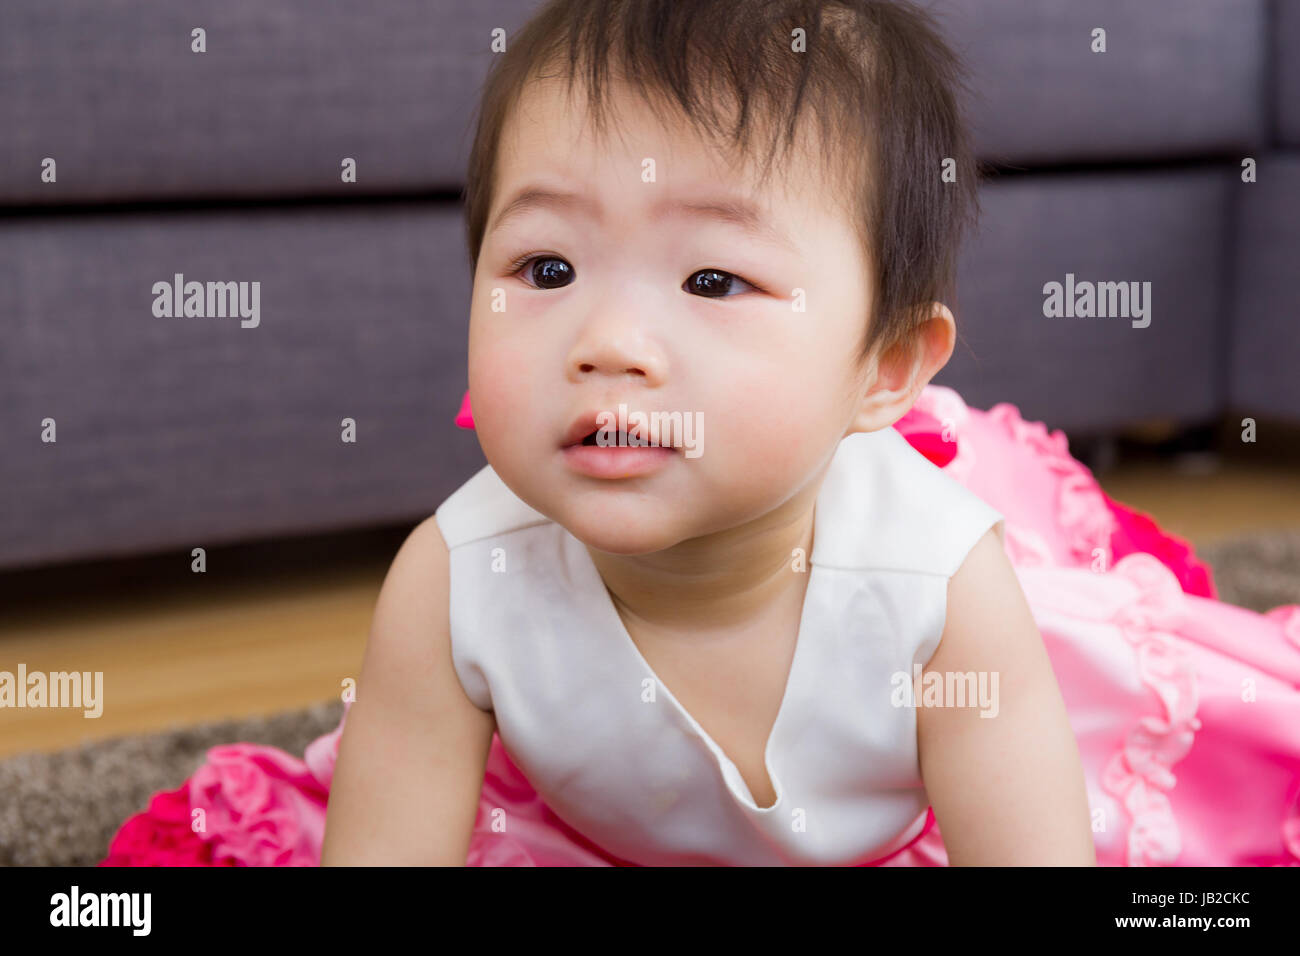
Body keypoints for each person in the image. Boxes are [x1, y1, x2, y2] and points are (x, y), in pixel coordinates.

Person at [101, 0, 1300, 867]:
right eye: (547, 267)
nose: (607, 341)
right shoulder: (456, 580)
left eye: (714, 280)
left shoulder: (938, 584)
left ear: (884, 367)